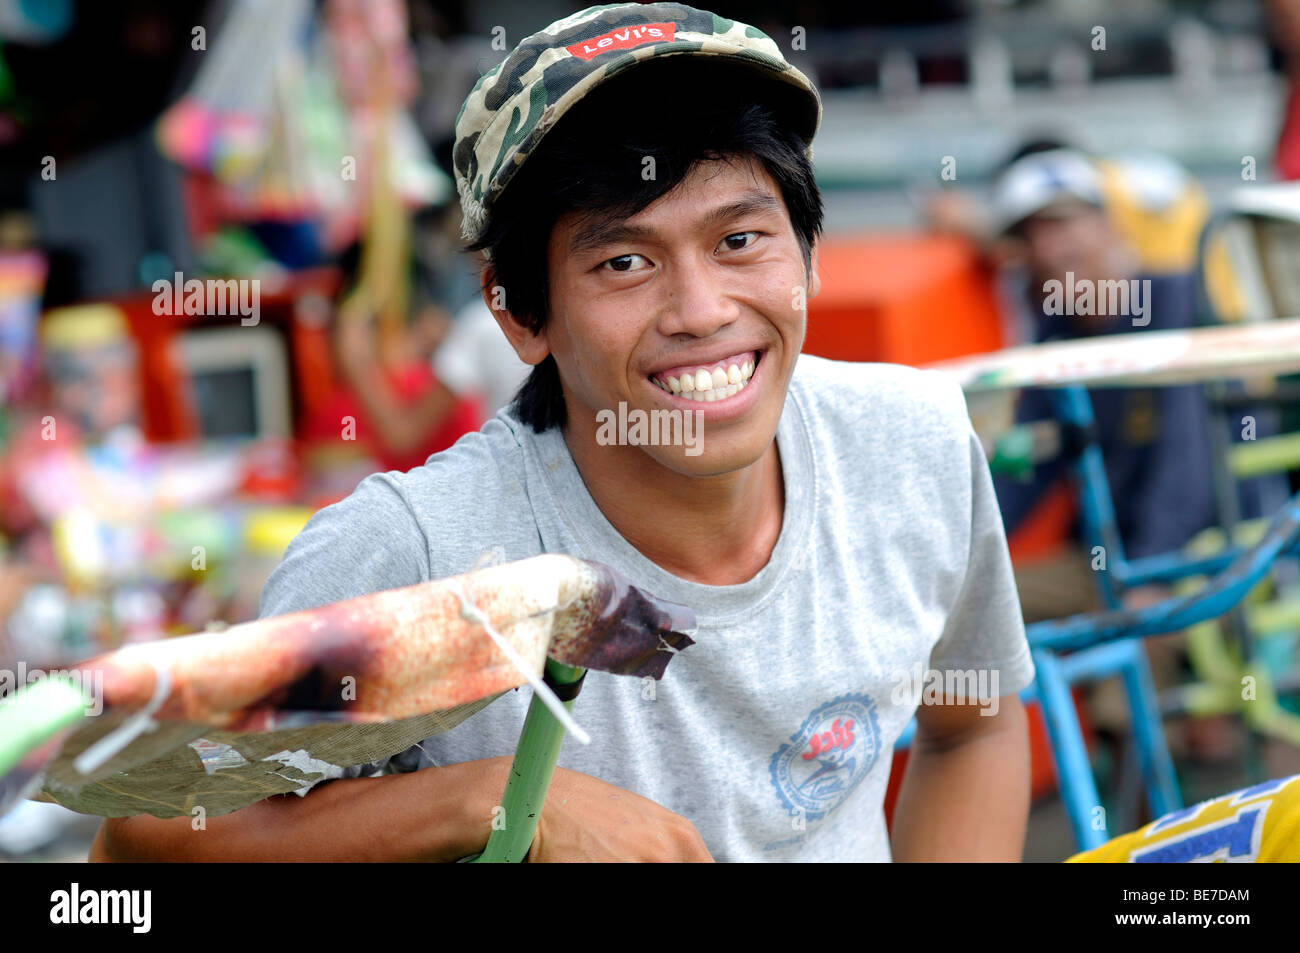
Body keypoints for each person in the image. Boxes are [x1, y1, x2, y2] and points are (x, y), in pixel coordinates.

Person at [90, 3, 1035, 863]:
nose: (702, 310)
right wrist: (496, 798)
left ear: (808, 254)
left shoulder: (911, 445)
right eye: (625, 260)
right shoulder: (423, 551)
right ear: (518, 314)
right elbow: (148, 835)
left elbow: (974, 723)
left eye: (741, 240)